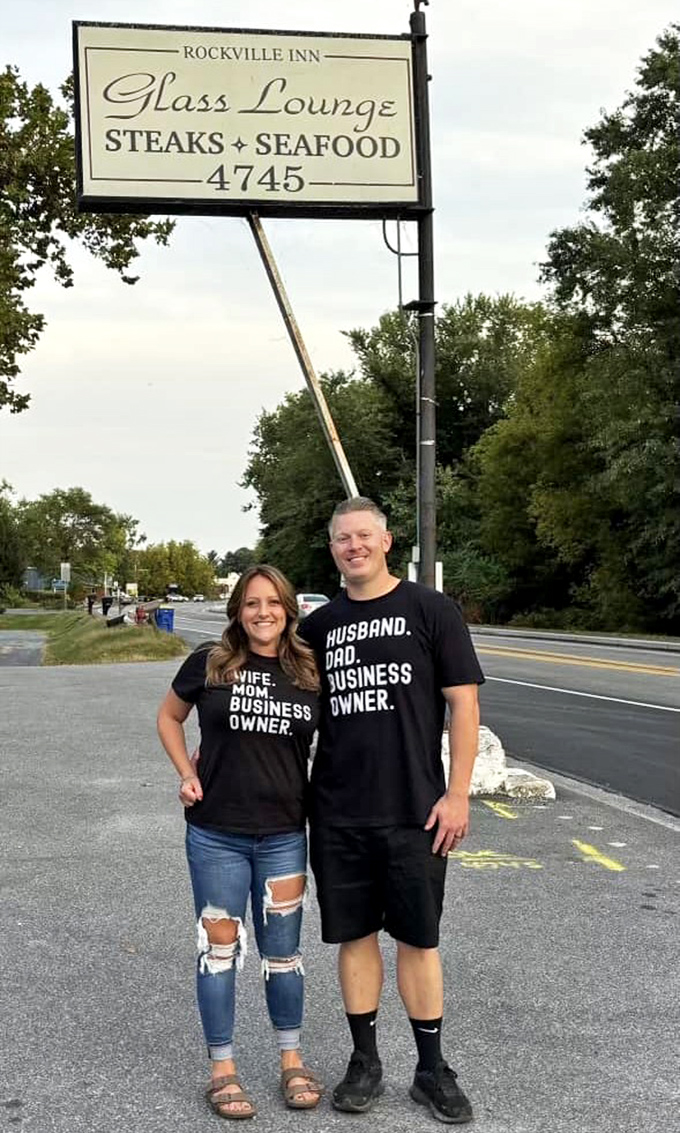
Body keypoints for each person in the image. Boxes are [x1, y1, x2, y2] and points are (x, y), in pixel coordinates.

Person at [299, 497, 484, 1124]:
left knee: (418, 939)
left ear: (386, 541)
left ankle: (431, 1069)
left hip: (416, 810)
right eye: (341, 539)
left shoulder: (431, 610)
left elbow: (463, 706)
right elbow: (278, 704)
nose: (353, 546)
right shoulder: (318, 628)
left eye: (363, 536)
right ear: (332, 550)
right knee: (353, 937)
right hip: (338, 811)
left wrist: (457, 793)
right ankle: (364, 1060)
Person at [157, 565, 324, 1119]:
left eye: (273, 603)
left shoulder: (306, 671)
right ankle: (223, 1070)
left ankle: (290, 1060)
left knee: (284, 957)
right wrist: (186, 772)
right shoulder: (211, 662)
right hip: (216, 834)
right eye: (251, 603)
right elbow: (168, 716)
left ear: (288, 610)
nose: (262, 613)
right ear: (237, 610)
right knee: (218, 952)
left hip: (282, 837)